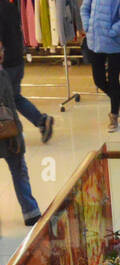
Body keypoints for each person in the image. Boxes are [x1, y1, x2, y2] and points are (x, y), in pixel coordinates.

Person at [0, 0, 54, 142]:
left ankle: (13, 134)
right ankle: (42, 121)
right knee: (15, 98)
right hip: (17, 60)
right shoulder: (9, 6)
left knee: (8, 100)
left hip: (5, 65)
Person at [0, 44, 39, 225]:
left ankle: (31, 210)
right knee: (18, 169)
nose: (3, 52)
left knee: (18, 169)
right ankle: (30, 212)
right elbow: (9, 106)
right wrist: (18, 134)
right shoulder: (2, 75)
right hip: (7, 133)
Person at [79, 0, 120, 132]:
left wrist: (111, 32)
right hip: (94, 41)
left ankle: (114, 115)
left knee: (113, 78)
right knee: (99, 80)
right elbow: (84, 9)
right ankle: (117, 99)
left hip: (114, 44)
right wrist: (87, 26)